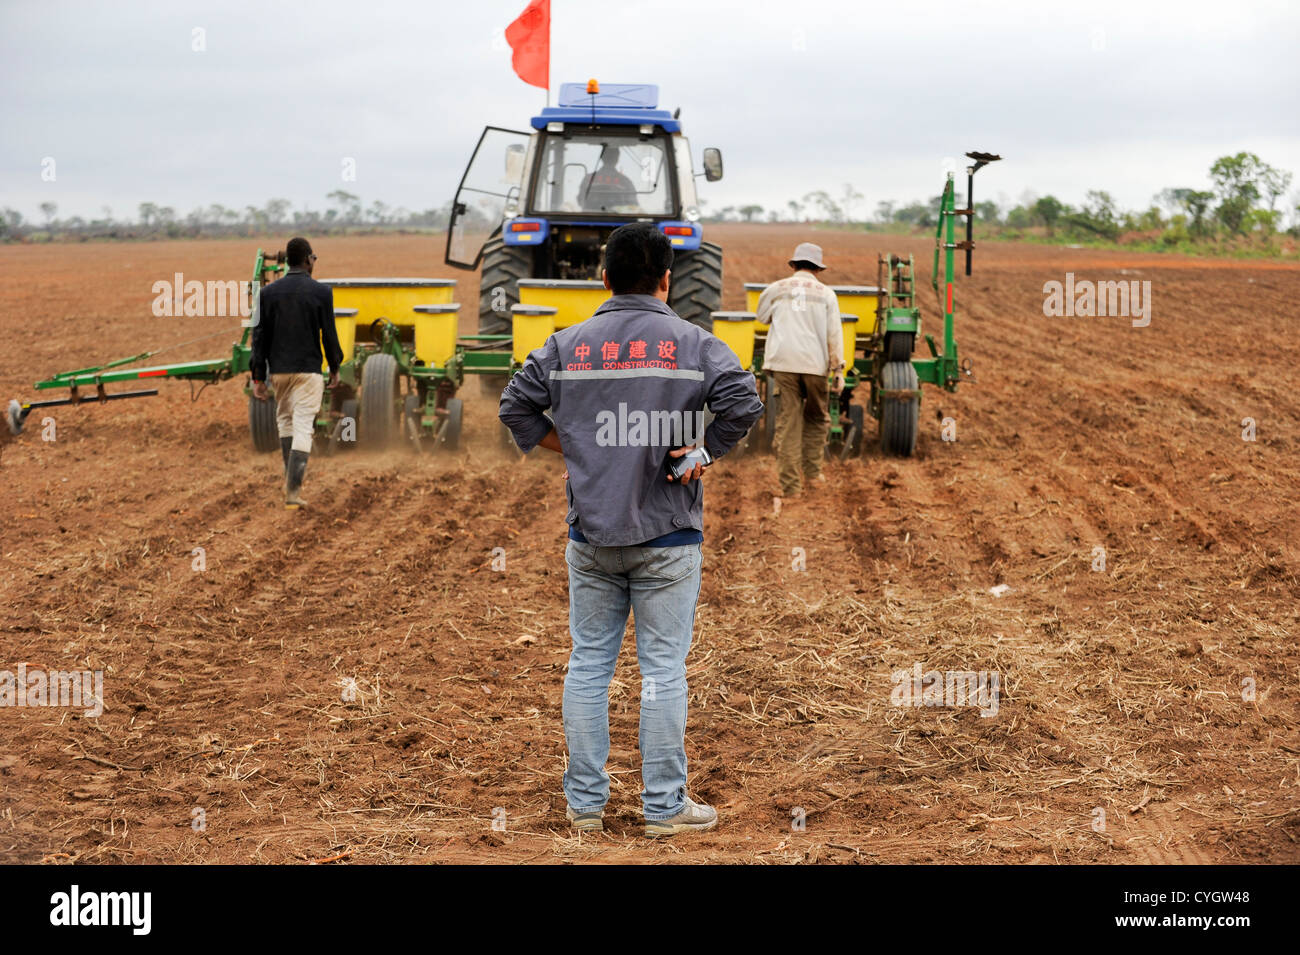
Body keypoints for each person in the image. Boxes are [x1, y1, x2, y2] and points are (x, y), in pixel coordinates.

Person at [499, 222, 762, 838]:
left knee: (589, 664)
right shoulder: (694, 343)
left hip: (591, 536)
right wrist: (700, 455)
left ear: (604, 276)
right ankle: (665, 808)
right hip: (667, 537)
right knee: (663, 670)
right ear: (668, 279)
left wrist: (582, 450)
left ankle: (585, 806)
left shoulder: (567, 345)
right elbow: (744, 404)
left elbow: (515, 407)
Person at [250, 237, 343, 508]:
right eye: (313, 258)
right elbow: (330, 335)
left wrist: (258, 376)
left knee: (286, 421)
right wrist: (335, 366)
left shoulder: (266, 294)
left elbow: (259, 338)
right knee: (303, 425)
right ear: (306, 260)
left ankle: (289, 482)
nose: (313, 263)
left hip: (279, 373)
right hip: (308, 372)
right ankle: (293, 492)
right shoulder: (321, 293)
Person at [755, 242, 844, 497]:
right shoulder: (826, 294)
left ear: (793, 265)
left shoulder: (775, 289)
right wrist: (837, 370)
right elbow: (834, 335)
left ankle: (791, 487)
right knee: (816, 418)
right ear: (818, 269)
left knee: (789, 422)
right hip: (815, 365)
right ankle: (814, 475)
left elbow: (761, 318)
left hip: (783, 364)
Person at [579, 145, 638, 212]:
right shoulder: (625, 181)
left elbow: (580, 200)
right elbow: (633, 205)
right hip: (621, 220)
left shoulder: (588, 179)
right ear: (617, 158)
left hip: (588, 219)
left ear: (602, 157)